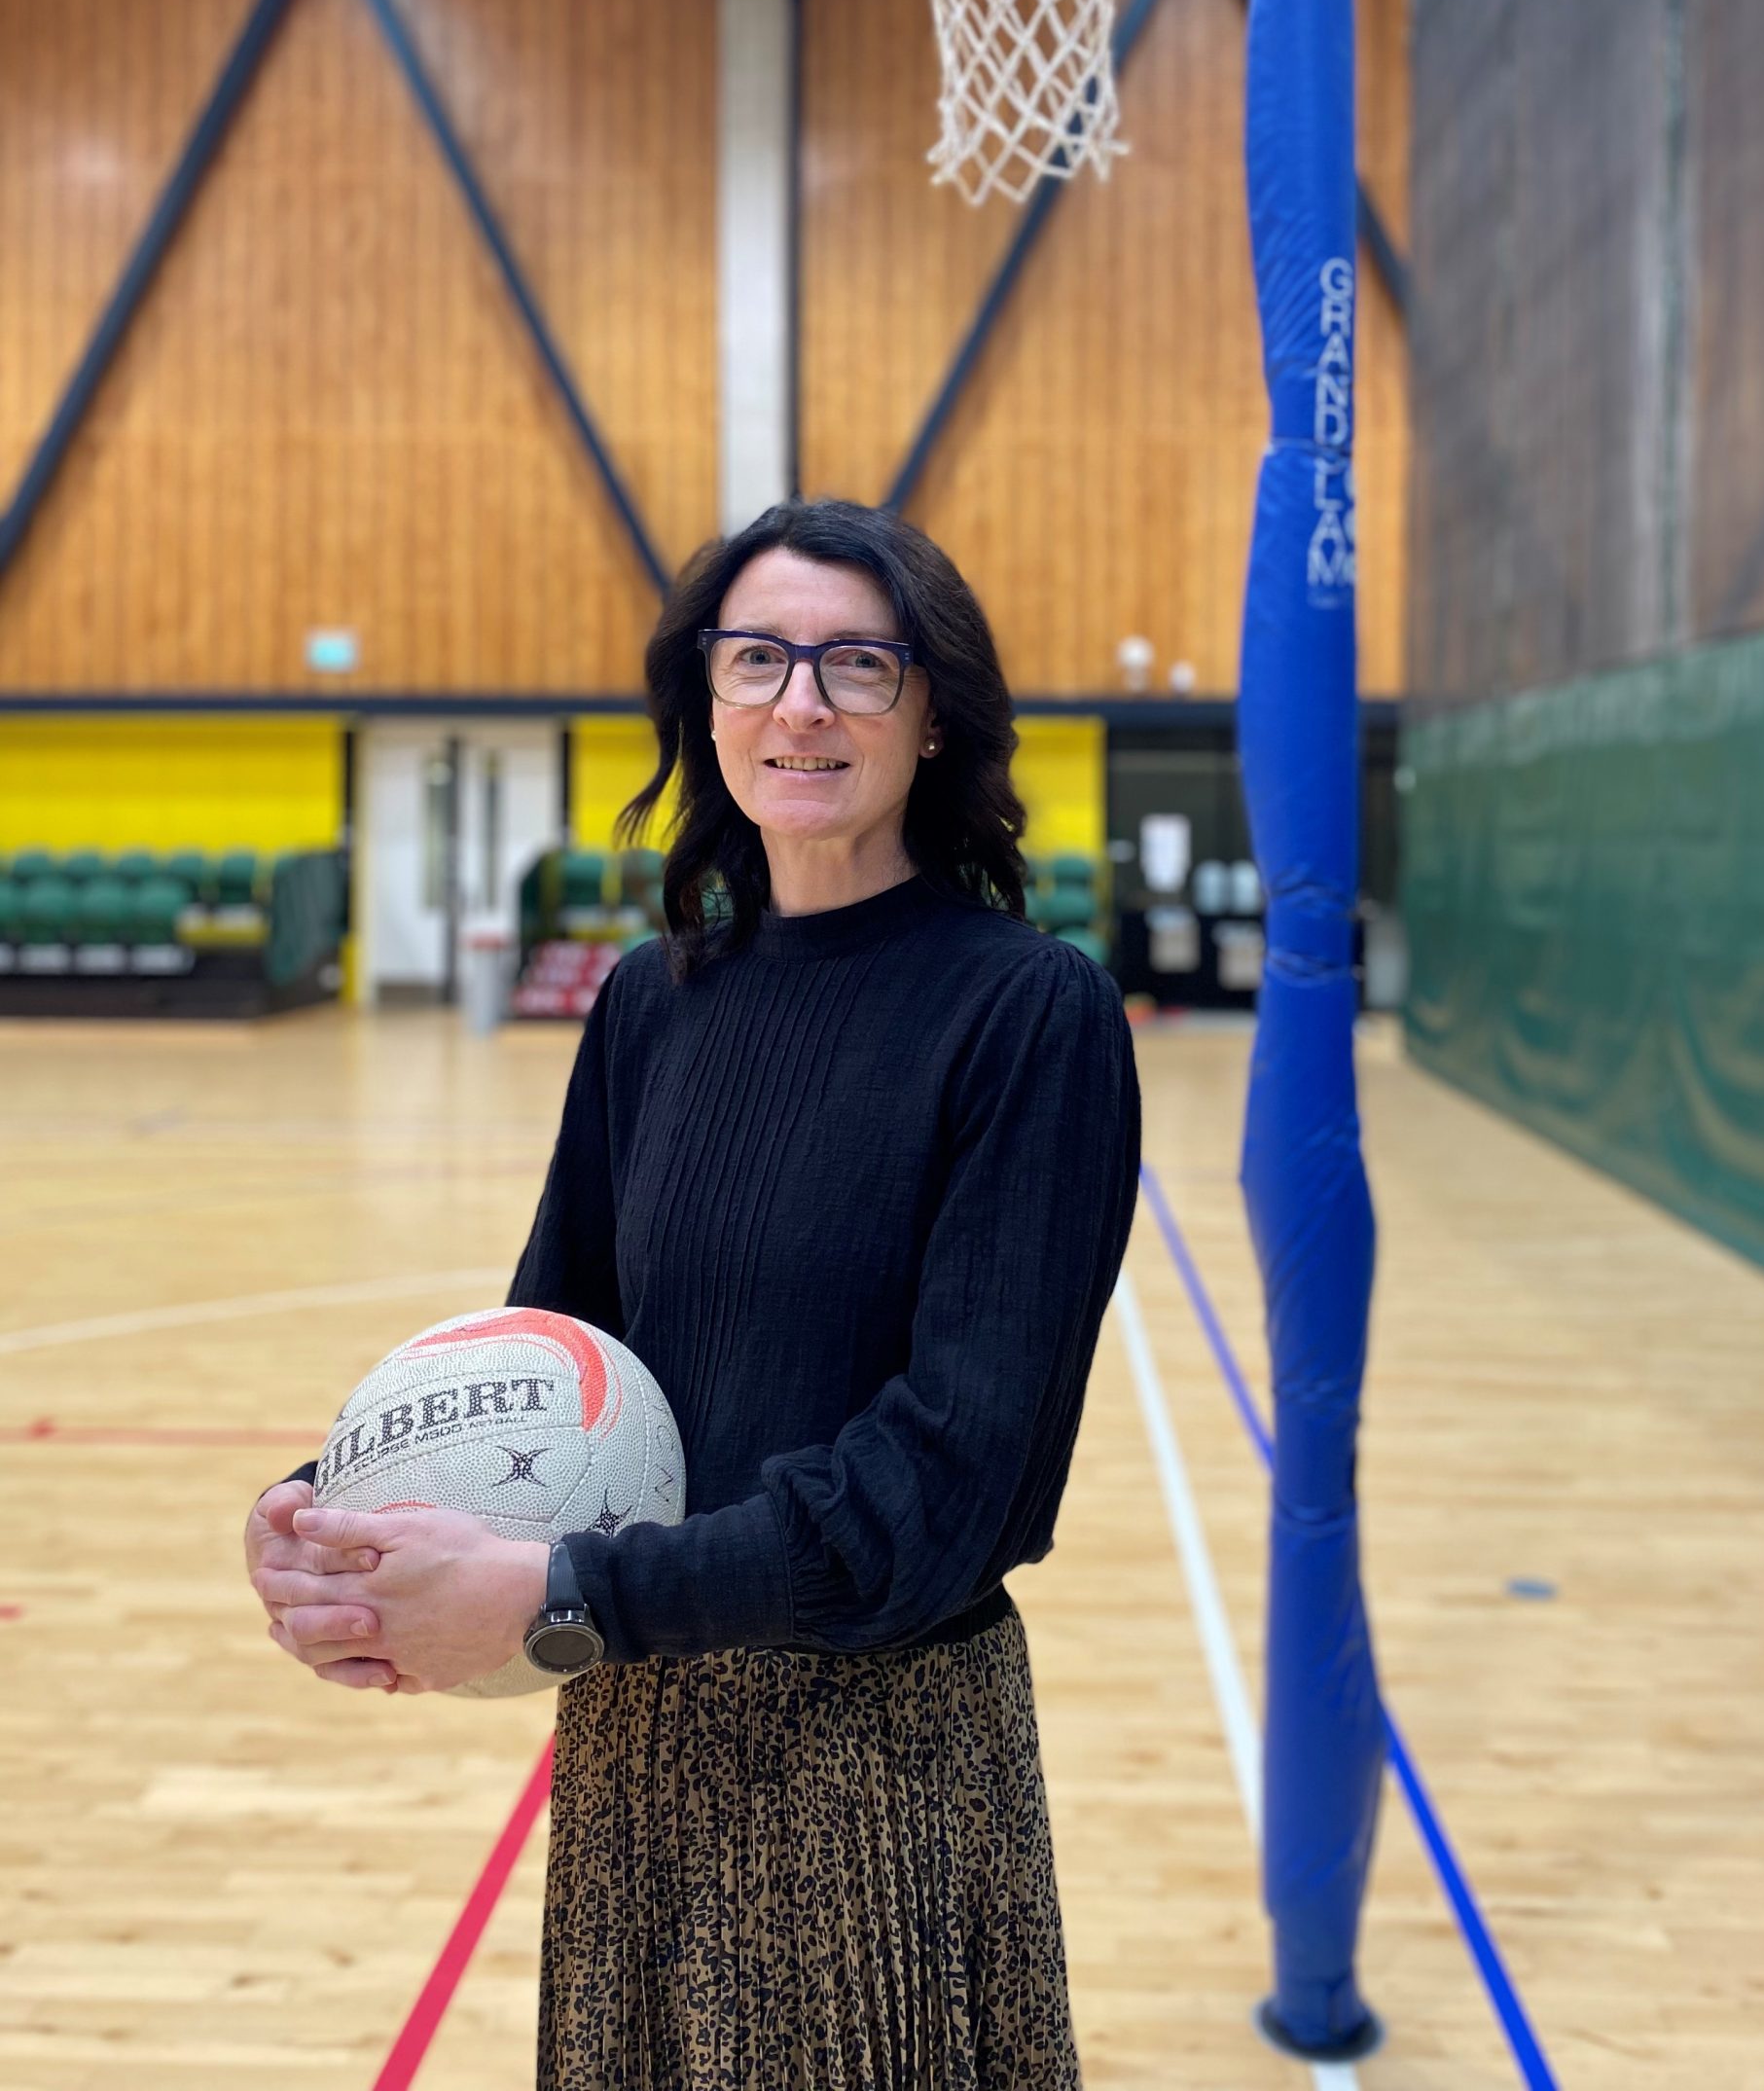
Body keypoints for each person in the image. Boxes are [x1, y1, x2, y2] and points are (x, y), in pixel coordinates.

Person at [245, 497, 1142, 2089]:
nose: (801, 702)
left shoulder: (1030, 1014)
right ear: (705, 701)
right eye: (758, 660)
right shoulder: (654, 1003)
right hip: (636, 1731)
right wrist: (343, 1515)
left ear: (933, 716)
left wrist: (564, 1595)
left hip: (880, 1764)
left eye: (859, 664)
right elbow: (543, 1358)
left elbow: (953, 1488)